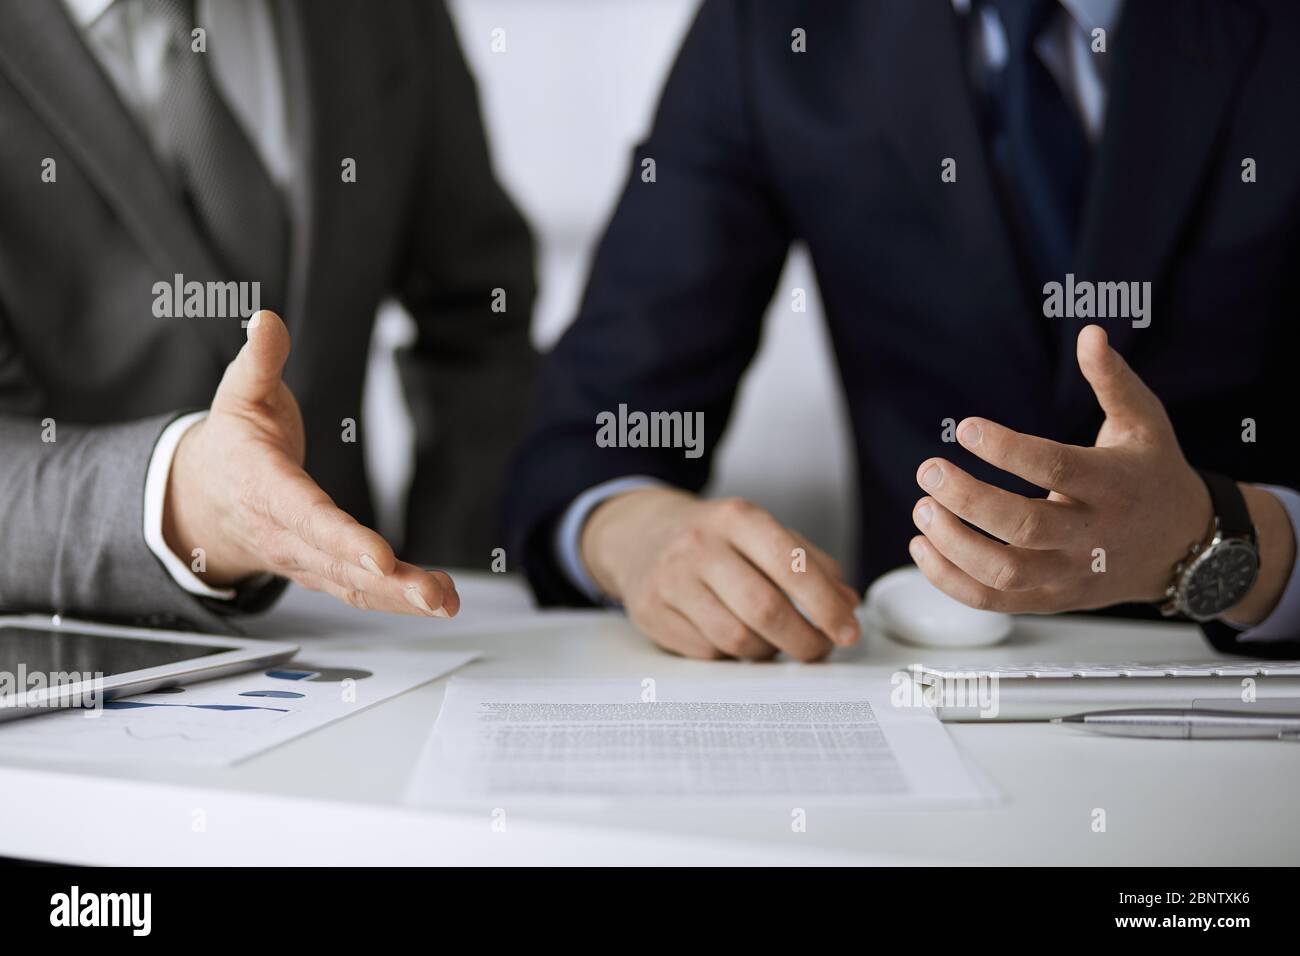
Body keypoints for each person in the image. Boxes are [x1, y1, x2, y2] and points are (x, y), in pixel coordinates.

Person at [505, 0, 1300, 660]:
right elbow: (595, 425)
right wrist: (638, 533)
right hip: (912, 685)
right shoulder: (774, 27)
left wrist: (1228, 538)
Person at [0, 0, 536, 631]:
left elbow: (479, 314)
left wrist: (452, 582)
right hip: (71, 662)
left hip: (367, 651)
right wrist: (183, 503)